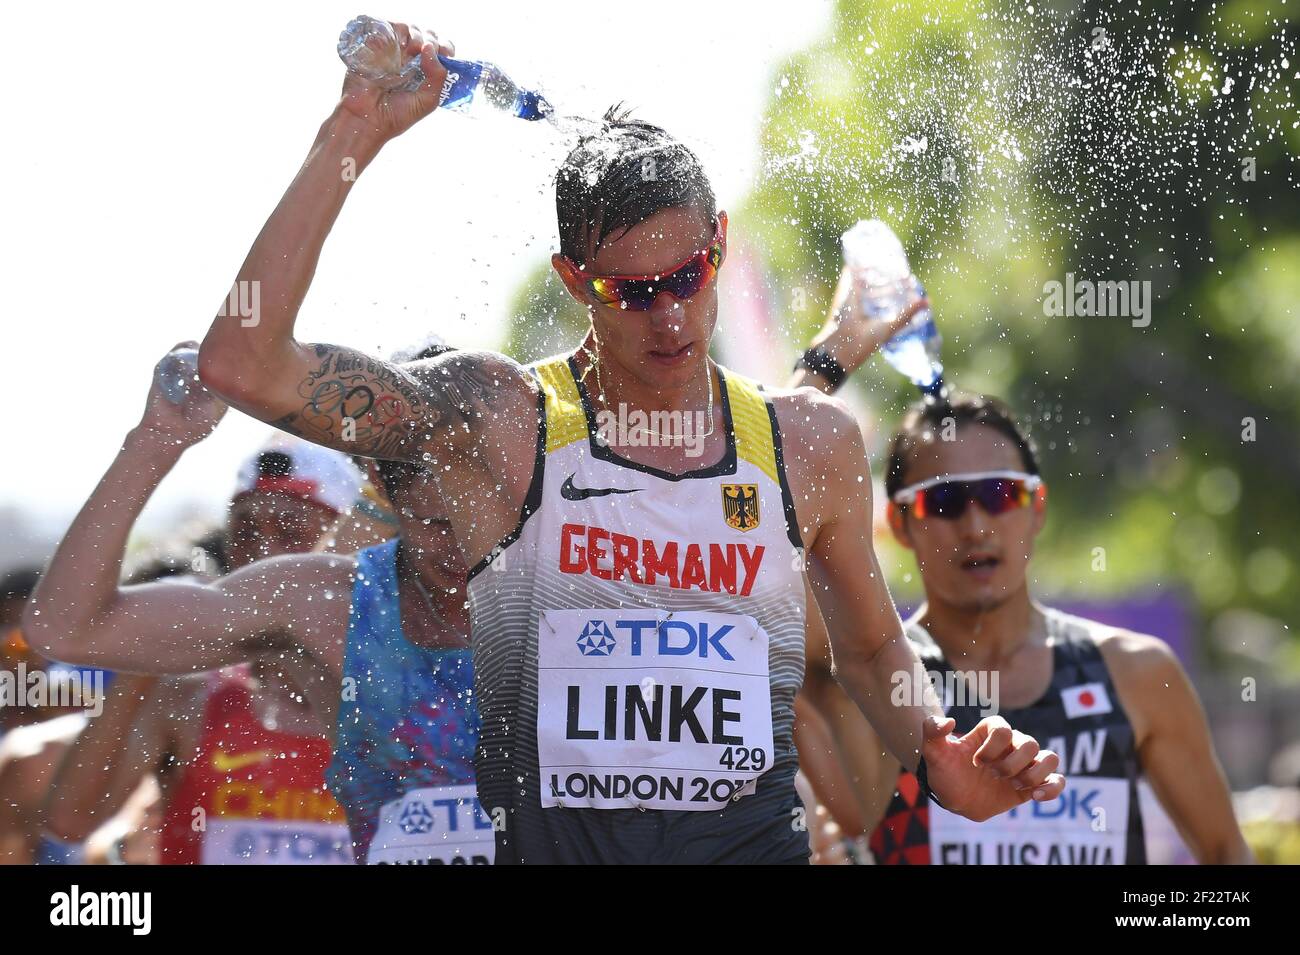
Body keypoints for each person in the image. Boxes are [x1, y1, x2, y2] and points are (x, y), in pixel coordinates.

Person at [196, 22, 1065, 864]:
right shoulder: (505, 424)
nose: (671, 317)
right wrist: (354, 133)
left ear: (717, 243)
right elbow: (243, 362)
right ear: (575, 279)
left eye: (687, 277)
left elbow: (874, 648)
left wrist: (936, 749)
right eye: (632, 290)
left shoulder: (808, 442)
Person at [791, 271, 1254, 864]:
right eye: (947, 501)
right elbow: (765, 514)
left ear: (1037, 507)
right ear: (901, 524)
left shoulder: (1138, 673)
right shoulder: (875, 684)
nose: (978, 525)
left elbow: (1227, 858)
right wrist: (832, 355)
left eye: (1002, 495)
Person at [27, 344, 489, 865]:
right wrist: (157, 439)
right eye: (246, 531)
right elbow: (68, 820)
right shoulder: (191, 690)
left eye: (291, 530)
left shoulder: (426, 669)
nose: (262, 554)